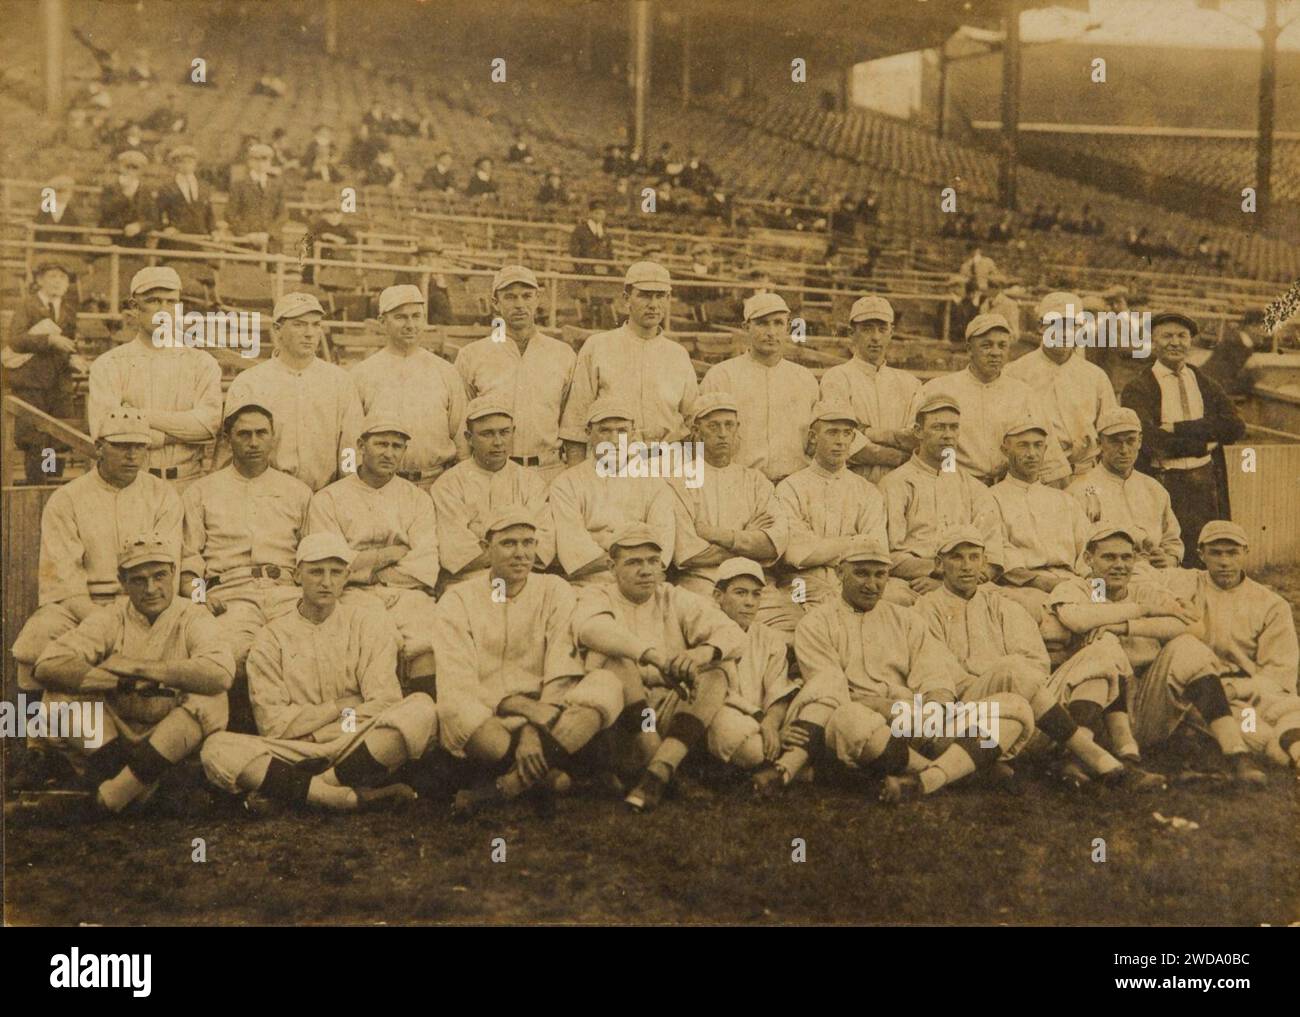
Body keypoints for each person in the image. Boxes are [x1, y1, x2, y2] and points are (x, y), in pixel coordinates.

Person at [750, 537, 1035, 803]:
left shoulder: (904, 618)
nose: (871, 584)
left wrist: (933, 711)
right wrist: (892, 707)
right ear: (840, 573)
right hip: (867, 724)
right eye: (862, 573)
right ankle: (950, 773)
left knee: (1016, 707)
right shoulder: (816, 624)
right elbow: (830, 691)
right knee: (850, 721)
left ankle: (931, 775)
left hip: (915, 719)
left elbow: (934, 672)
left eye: (880, 575)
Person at [199, 533, 438, 813]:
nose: (326, 582)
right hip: (296, 750)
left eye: (336, 572)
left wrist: (325, 731)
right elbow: (272, 724)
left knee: (421, 710)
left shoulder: (366, 625)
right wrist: (341, 706)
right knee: (217, 748)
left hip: (354, 740)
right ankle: (347, 798)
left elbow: (383, 701)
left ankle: (311, 788)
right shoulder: (271, 637)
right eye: (316, 572)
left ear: (346, 577)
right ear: (298, 575)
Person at [915, 527, 1164, 791]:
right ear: (939, 564)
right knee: (1009, 667)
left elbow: (1036, 664)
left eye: (974, 557)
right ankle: (1097, 758)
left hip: (1030, 710)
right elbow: (940, 676)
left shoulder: (1003, 604)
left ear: (984, 563)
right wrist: (999, 678)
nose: (967, 566)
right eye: (956, 557)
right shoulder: (925, 609)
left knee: (1101, 652)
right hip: (969, 714)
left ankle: (1073, 757)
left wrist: (1020, 685)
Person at [25, 533, 234, 820]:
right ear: (122, 582)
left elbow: (220, 674)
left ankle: (110, 798)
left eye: (159, 576)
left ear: (173, 574)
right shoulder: (111, 616)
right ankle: (142, 789)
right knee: (58, 698)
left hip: (170, 737)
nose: (151, 588)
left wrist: (138, 668)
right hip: (117, 732)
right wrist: (120, 681)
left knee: (210, 699)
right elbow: (48, 665)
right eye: (138, 580)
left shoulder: (193, 616)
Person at [434, 508, 624, 816]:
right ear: (485, 549)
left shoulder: (554, 589)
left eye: (528, 543)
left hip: (549, 713)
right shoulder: (457, 600)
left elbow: (562, 668)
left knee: (607, 684)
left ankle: (509, 784)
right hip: (490, 714)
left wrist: (533, 730)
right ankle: (550, 774)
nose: (521, 553)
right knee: (458, 710)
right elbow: (459, 681)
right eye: (509, 543)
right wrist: (521, 710)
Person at [1046, 526, 1266, 787]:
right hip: (1088, 716)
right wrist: (1144, 610)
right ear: (1088, 559)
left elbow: (1192, 626)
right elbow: (1078, 618)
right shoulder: (1080, 588)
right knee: (1105, 645)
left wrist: (1126, 625)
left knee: (1188, 647)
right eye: (1109, 557)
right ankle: (1083, 757)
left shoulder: (1144, 589)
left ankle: (1236, 754)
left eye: (1126, 557)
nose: (1119, 565)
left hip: (1144, 704)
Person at [573, 524, 747, 813]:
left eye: (653, 561)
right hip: (622, 719)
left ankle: (657, 775)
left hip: (669, 711)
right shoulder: (596, 595)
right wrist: (654, 657)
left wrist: (701, 653)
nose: (646, 570)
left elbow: (733, 635)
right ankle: (664, 767)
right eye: (634, 562)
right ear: (611, 566)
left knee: (718, 669)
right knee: (619, 660)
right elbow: (592, 630)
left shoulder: (673, 596)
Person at [11, 409, 182, 696]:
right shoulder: (67, 498)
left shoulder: (162, 495)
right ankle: (39, 732)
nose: (131, 456)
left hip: (143, 602)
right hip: (81, 606)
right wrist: (100, 622)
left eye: (139, 446)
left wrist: (125, 619)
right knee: (33, 644)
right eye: (121, 446)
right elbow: (63, 580)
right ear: (99, 447)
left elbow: (162, 570)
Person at [180, 403, 311, 730]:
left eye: (261, 434)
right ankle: (234, 737)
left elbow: (312, 554)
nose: (253, 442)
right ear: (229, 439)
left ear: (272, 438)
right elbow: (188, 559)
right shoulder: (201, 491)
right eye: (244, 434)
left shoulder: (298, 491)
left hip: (287, 594)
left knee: (305, 655)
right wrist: (198, 597)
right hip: (230, 596)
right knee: (226, 658)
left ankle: (299, 738)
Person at [307, 415, 439, 689]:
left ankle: (422, 714)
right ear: (361, 445)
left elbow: (425, 564)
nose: (389, 453)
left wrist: (364, 568)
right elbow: (332, 565)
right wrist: (390, 555)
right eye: (381, 444)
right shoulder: (328, 499)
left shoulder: (418, 499)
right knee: (374, 642)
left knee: (431, 639)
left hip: (408, 593)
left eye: (397, 446)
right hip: (353, 594)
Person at [1164, 521, 1300, 774]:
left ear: (1245, 553)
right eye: (1215, 553)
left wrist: (1236, 689)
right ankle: (1288, 758)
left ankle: (1296, 752)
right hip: (1206, 692)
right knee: (1255, 730)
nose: (1224, 561)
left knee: (1291, 709)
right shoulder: (1187, 586)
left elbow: (1279, 673)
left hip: (1254, 688)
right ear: (1200, 554)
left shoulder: (1271, 604)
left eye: (1232, 552)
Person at [1121, 310, 1245, 561]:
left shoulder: (1203, 381)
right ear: (1152, 342)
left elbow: (1234, 426)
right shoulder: (1138, 387)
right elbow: (1150, 442)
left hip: (1205, 482)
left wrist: (1178, 428)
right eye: (1167, 336)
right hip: (1165, 483)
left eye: (1182, 336)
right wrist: (1203, 445)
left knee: (1205, 554)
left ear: (1190, 341)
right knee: (1168, 555)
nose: (1175, 342)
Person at [763, 402, 893, 636]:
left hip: (855, 583)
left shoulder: (867, 491)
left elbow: (875, 550)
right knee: (804, 622)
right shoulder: (791, 487)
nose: (841, 441)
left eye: (847, 434)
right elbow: (798, 554)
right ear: (813, 437)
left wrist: (826, 549)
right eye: (832, 432)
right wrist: (854, 541)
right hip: (800, 584)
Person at [88, 267, 223, 488]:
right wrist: (181, 433)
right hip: (131, 484)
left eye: (171, 302)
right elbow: (106, 431)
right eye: (154, 301)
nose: (163, 311)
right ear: (134, 306)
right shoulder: (108, 364)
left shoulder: (202, 362)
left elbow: (208, 426)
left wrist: (139, 416)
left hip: (188, 483)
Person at [224, 292, 364, 492]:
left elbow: (349, 448)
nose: (309, 333)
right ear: (277, 329)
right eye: (299, 324)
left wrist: (345, 492)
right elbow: (232, 450)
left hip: (323, 495)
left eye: (315, 325)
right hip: (266, 496)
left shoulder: (340, 381)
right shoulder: (250, 382)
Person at [910, 313, 1069, 486]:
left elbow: (1051, 458)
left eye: (1002, 346)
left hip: (1008, 489)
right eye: (986, 345)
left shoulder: (1024, 394)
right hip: (955, 486)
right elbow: (914, 444)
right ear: (969, 349)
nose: (995, 352)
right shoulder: (939, 389)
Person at [560, 261, 698, 456]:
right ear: (626, 299)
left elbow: (692, 421)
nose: (653, 305)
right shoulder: (598, 346)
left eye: (660, 296)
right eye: (644, 295)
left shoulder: (678, 354)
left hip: (666, 463)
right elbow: (575, 423)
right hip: (613, 462)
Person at [454, 265, 575, 487]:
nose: (519, 304)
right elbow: (462, 423)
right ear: (495, 303)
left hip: (548, 471)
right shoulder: (472, 354)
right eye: (509, 297)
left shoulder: (562, 354)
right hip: (492, 474)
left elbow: (569, 419)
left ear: (538, 299)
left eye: (526, 296)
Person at [880, 394, 1005, 602]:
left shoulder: (974, 487)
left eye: (953, 427)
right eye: (938, 427)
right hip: (914, 581)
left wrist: (949, 581)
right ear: (918, 432)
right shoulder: (896, 484)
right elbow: (888, 554)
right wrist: (938, 572)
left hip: (969, 582)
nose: (948, 435)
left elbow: (992, 556)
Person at [667, 393, 787, 595]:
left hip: (756, 584)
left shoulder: (756, 480)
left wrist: (719, 535)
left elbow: (772, 546)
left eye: (729, 425)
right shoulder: (679, 481)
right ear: (697, 432)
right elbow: (688, 555)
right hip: (701, 584)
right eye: (713, 426)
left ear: (737, 429)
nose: (722, 433)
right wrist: (748, 539)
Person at [350, 284, 467, 488]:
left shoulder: (445, 371)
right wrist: (353, 485)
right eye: (401, 317)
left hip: (436, 482)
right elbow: (350, 442)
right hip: (381, 485)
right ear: (382, 322)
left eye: (416, 316)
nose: (410, 324)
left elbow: (461, 438)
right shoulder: (362, 373)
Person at [548, 399, 675, 586]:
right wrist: (635, 557)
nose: (614, 440)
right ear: (588, 433)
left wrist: (604, 545)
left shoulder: (654, 483)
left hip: (643, 583)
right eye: (604, 430)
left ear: (633, 434)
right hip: (589, 585)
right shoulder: (566, 484)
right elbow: (575, 555)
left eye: (622, 431)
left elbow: (662, 551)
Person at [431, 397, 554, 587]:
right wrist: (517, 549)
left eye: (504, 432)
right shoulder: (449, 484)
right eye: (487, 434)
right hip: (469, 582)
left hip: (524, 580)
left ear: (513, 432)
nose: (497, 442)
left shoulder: (531, 482)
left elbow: (544, 546)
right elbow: (455, 554)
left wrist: (488, 550)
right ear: (469, 438)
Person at [700, 292, 819, 483]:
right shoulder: (722, 376)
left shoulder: (804, 379)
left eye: (778, 323)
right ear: (746, 327)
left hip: (794, 485)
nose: (771, 332)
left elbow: (816, 442)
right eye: (762, 323)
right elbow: (702, 440)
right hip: (738, 483)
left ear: (788, 327)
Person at [1004, 292, 1118, 478]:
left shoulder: (1095, 376)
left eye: (1073, 325)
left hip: (1085, 473)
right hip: (1036, 475)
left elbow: (1110, 431)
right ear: (1041, 326)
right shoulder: (1015, 373)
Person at [705, 558, 801, 773]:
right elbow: (719, 694)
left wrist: (771, 724)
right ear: (718, 596)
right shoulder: (704, 629)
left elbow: (778, 690)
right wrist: (762, 724)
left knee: (802, 722)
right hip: (723, 716)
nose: (750, 602)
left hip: (761, 719)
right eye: (740, 593)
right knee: (750, 747)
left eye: (756, 594)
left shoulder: (768, 637)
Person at [989, 420, 1091, 620]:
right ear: (1005, 449)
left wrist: (1094, 587)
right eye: (1023, 445)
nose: (1032, 453)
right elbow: (999, 554)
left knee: (1101, 604)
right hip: (1023, 587)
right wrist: (1043, 583)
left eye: (1038, 446)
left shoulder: (1064, 500)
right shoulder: (992, 498)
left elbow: (1089, 550)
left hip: (1071, 582)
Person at [1067, 407, 1183, 580]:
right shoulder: (1080, 490)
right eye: (1115, 441)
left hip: (1156, 577)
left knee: (1188, 597)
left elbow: (1172, 540)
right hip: (1102, 582)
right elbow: (1077, 556)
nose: (1124, 449)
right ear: (1099, 443)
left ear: (1140, 441)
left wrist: (1170, 559)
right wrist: (1098, 591)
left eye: (1130, 441)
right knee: (1097, 604)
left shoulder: (1154, 489)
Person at [819, 295, 920, 483]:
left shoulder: (910, 383)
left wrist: (868, 432)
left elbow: (915, 438)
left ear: (891, 332)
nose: (875, 337)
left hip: (901, 483)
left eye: (882, 329)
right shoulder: (837, 378)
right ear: (851, 333)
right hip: (851, 482)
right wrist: (896, 456)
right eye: (867, 329)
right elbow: (842, 440)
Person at [3, 262, 82, 483]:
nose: (58, 282)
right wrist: (49, 340)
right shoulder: (27, 306)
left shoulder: (68, 308)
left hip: (59, 383)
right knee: (35, 438)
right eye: (52, 276)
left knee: (59, 435)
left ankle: (54, 485)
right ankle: (38, 487)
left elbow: (71, 342)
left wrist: (75, 356)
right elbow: (16, 340)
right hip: (32, 383)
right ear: (39, 280)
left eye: (62, 278)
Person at [221, 143, 285, 246]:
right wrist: (246, 234)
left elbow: (283, 214)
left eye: (265, 160)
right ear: (250, 162)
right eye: (256, 160)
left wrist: (269, 234)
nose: (260, 164)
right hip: (246, 242)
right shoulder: (239, 185)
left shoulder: (276, 186)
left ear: (270, 162)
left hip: (270, 242)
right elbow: (230, 214)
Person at [569, 199, 616, 328]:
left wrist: (609, 266)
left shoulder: (605, 233)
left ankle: (611, 315)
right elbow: (574, 251)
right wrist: (582, 266)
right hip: (586, 268)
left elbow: (610, 253)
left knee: (615, 277)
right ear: (590, 213)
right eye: (596, 213)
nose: (599, 216)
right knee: (591, 286)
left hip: (603, 269)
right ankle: (591, 316)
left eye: (602, 213)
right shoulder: (580, 230)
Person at [98, 149, 155, 247]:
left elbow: (152, 219)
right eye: (127, 167)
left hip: (137, 242)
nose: (130, 171)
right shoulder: (110, 188)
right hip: (113, 238)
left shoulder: (145, 191)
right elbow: (105, 213)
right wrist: (125, 195)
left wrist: (139, 226)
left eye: (135, 168)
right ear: (120, 167)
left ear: (141, 170)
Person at [156, 144, 216, 238]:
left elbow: (209, 213)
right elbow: (157, 213)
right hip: (175, 238)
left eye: (190, 162)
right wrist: (166, 228)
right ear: (175, 165)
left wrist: (213, 230)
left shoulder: (203, 187)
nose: (186, 166)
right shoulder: (167, 188)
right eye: (181, 162)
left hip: (199, 237)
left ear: (195, 164)